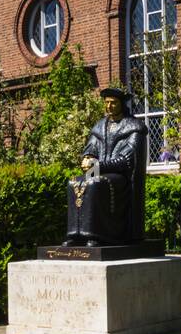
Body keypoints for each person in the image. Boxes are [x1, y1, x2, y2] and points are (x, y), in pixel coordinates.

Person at [62, 87, 148, 247]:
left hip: (121, 176)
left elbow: (126, 160)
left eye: (113, 103)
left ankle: (97, 235)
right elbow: (91, 148)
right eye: (106, 103)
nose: (109, 107)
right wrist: (87, 157)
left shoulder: (134, 127)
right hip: (98, 170)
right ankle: (76, 234)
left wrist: (97, 165)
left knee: (95, 184)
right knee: (73, 182)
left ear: (122, 104)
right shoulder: (99, 126)